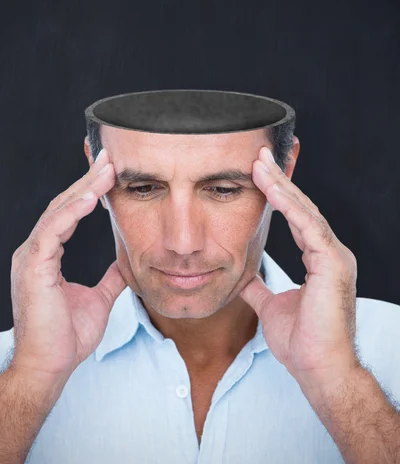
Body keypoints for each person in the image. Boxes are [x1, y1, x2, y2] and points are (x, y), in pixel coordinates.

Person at [0, 125, 399, 463]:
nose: (183, 242)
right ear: (94, 174)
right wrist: (32, 378)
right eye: (143, 187)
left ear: (285, 170)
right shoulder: (16, 376)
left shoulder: (391, 347)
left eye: (223, 189)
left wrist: (339, 383)